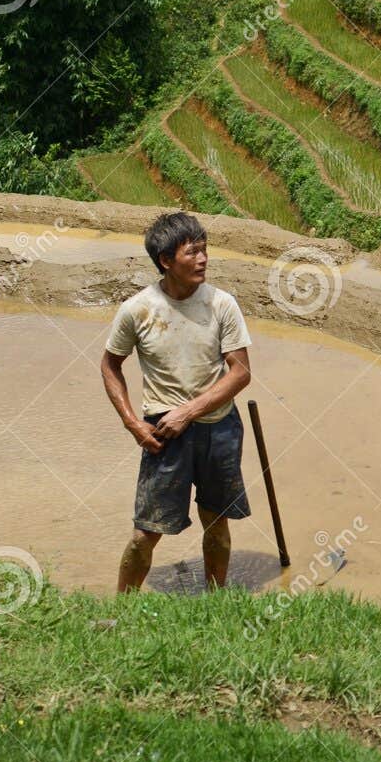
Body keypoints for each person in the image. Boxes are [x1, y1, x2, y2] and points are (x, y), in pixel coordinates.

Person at [99, 212, 253, 592]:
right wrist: (133, 423)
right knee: (145, 533)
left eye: (204, 250)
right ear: (166, 260)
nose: (202, 259)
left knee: (217, 523)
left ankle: (216, 599)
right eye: (192, 252)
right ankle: (124, 608)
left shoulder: (221, 304)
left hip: (219, 429)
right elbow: (109, 366)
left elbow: (240, 373)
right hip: (163, 434)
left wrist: (189, 411)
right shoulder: (137, 309)